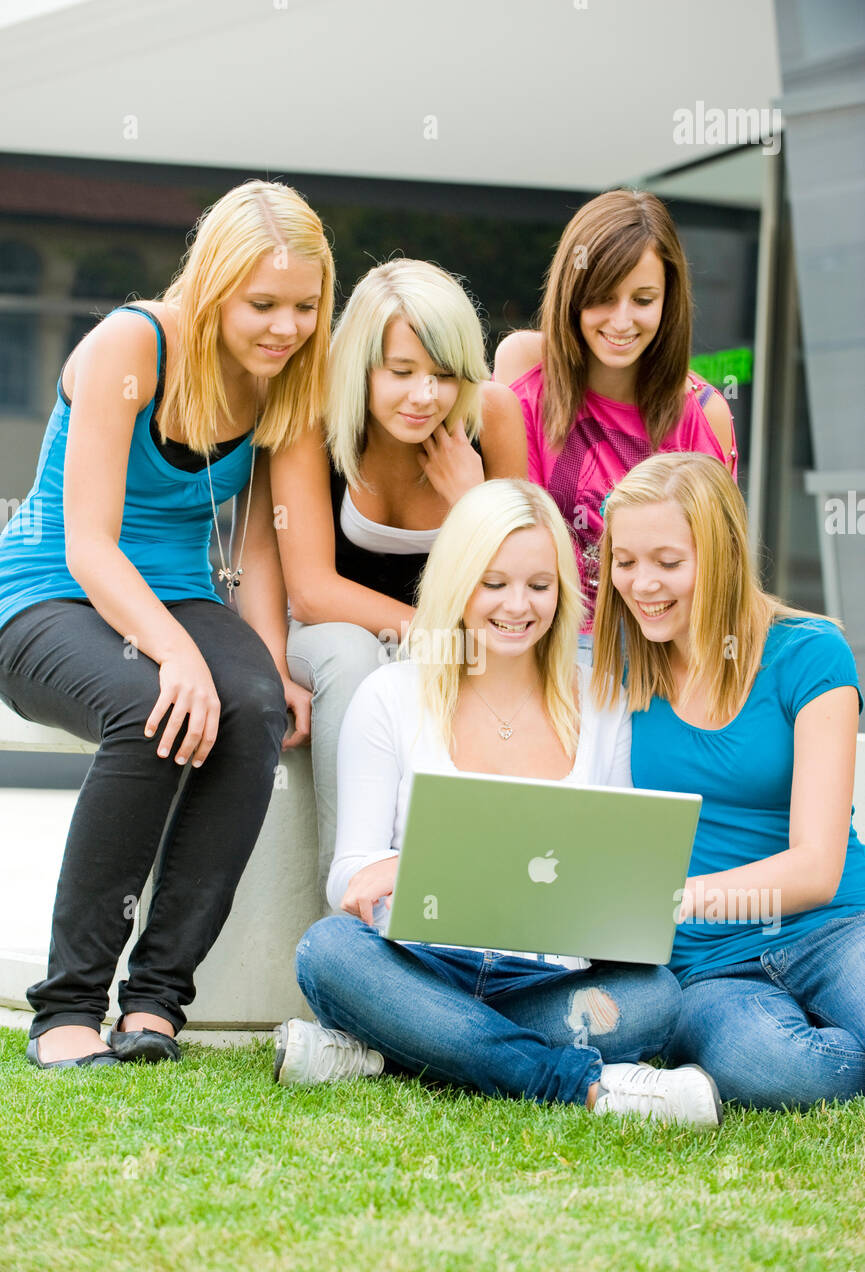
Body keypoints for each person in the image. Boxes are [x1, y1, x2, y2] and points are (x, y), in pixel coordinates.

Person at [0, 180, 333, 1068]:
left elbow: (259, 545)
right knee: (151, 710)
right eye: (262, 305)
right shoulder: (131, 345)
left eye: (304, 307)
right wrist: (181, 657)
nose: (284, 327)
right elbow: (88, 545)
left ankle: (154, 1007)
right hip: (46, 596)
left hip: (179, 596)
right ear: (215, 286)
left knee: (255, 710)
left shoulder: (289, 378)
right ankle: (67, 1009)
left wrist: (269, 662)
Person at [273, 479, 723, 1128]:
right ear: (459, 585)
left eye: (539, 586)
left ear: (562, 593)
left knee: (656, 999)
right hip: (420, 964)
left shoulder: (600, 705)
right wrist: (411, 865)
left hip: (542, 982)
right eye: (494, 584)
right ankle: (574, 1086)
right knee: (328, 953)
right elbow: (349, 876)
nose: (518, 606)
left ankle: (387, 1052)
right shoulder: (391, 695)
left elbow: (618, 865)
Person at [591, 451, 865, 1110]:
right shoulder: (616, 668)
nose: (641, 584)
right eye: (623, 562)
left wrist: (671, 897)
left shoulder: (807, 653)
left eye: (666, 562)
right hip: (706, 966)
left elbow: (814, 868)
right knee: (771, 1066)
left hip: (831, 927)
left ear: (721, 556)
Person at [270, 259, 527, 892]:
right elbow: (311, 589)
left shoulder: (489, 416)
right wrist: (432, 635)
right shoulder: (313, 420)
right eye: (402, 372)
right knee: (356, 655)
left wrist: (475, 504)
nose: (424, 397)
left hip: (452, 647)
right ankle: (350, 892)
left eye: (442, 375)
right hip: (328, 640)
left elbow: (525, 580)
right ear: (361, 365)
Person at [495, 188, 737, 629]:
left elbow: (720, 576)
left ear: (669, 301)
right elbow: (503, 533)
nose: (622, 321)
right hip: (544, 645)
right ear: (573, 292)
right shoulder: (526, 374)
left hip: (654, 656)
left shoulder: (703, 412)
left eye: (643, 300)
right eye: (603, 297)